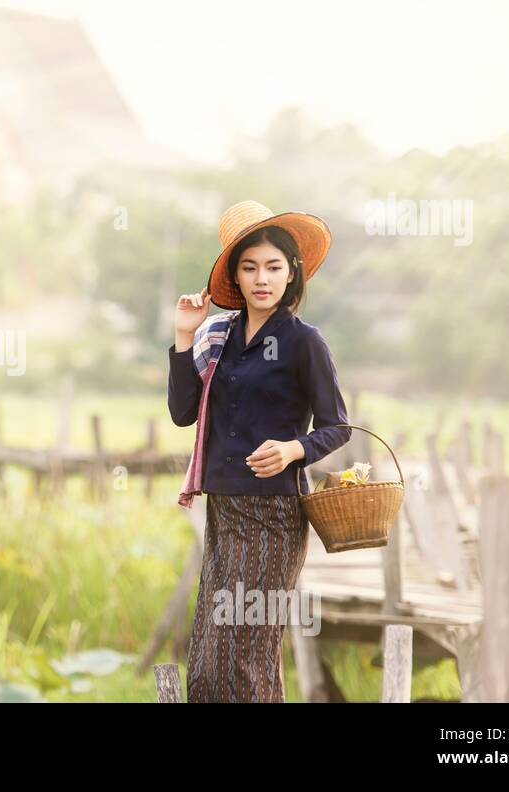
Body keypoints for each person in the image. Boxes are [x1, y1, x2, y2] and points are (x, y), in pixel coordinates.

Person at [167, 200, 351, 702]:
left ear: (291, 273)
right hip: (223, 510)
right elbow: (184, 413)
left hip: (274, 514)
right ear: (236, 276)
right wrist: (184, 336)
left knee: (244, 654)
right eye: (249, 268)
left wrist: (295, 448)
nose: (261, 279)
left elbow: (338, 426)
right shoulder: (217, 337)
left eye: (273, 267)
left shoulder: (303, 342)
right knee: (207, 661)